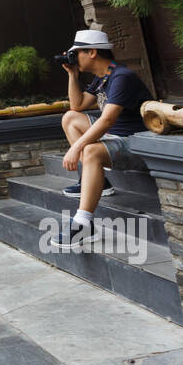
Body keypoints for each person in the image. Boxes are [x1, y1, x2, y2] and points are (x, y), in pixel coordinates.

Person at [52, 28, 152, 248]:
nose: (74, 58)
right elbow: (77, 106)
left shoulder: (121, 77)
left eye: (77, 53)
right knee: (70, 118)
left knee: (90, 150)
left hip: (136, 141)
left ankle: (83, 224)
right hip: (116, 135)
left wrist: (76, 147)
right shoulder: (103, 78)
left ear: (92, 53)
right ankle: (99, 181)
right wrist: (72, 75)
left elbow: (106, 120)